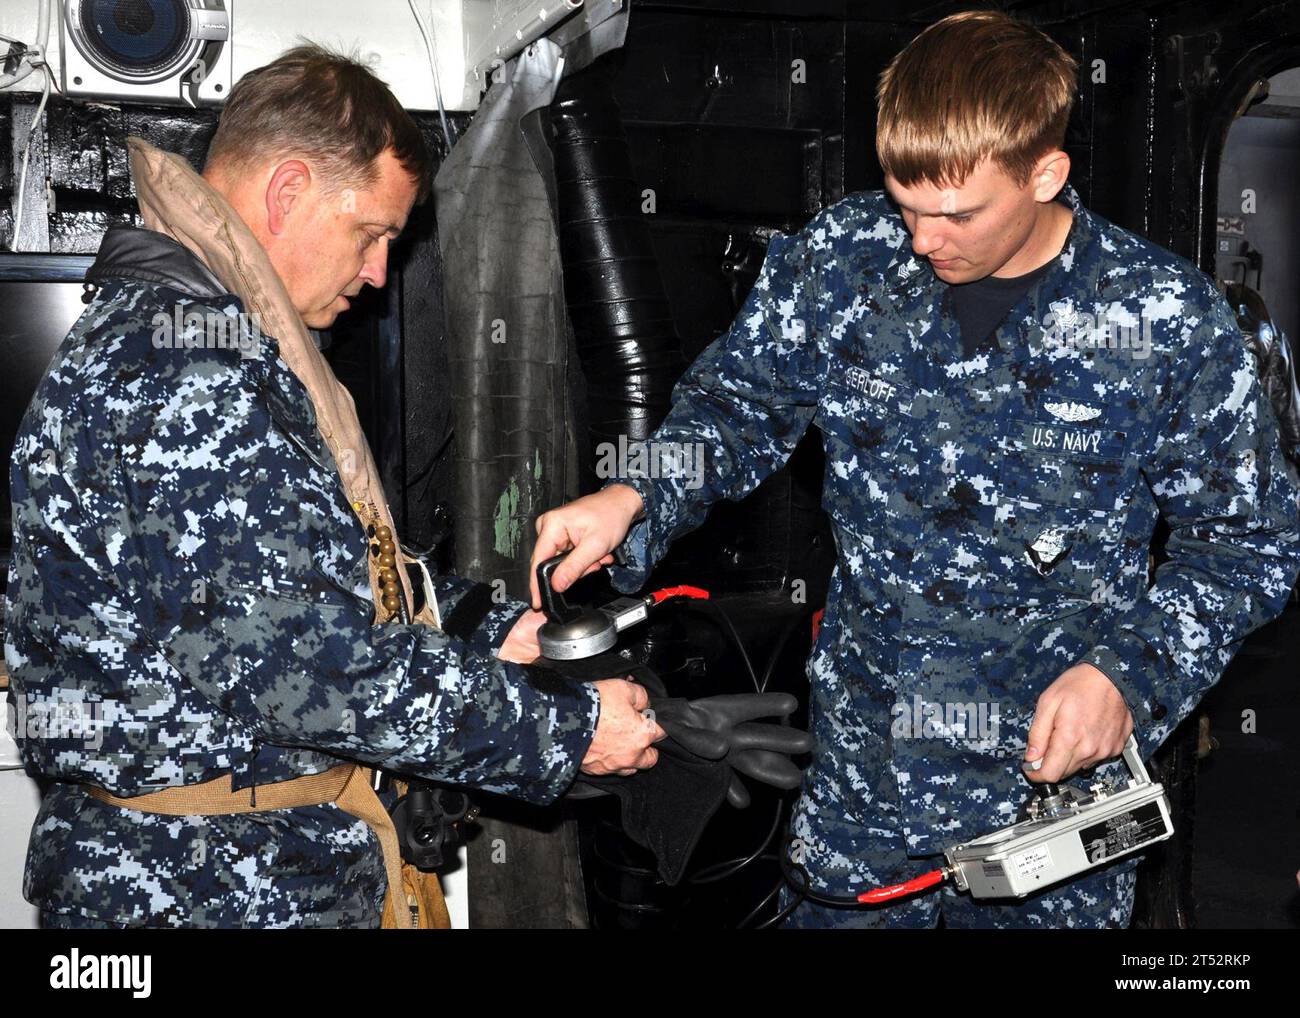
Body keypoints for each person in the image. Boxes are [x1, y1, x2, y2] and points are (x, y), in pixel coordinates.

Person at [530, 11, 1300, 928]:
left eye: (959, 215)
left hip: (1047, 791)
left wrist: (1128, 679)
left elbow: (1246, 549)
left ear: (1046, 174)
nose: (924, 240)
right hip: (865, 773)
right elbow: (739, 409)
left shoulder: (1167, 322)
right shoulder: (843, 261)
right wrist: (634, 492)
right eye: (906, 205)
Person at [4, 45, 662, 929]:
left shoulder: (204, 346)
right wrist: (573, 732)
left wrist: (496, 629)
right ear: (287, 193)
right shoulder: (189, 372)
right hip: (202, 896)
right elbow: (307, 667)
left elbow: (333, 578)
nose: (380, 272)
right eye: (373, 233)